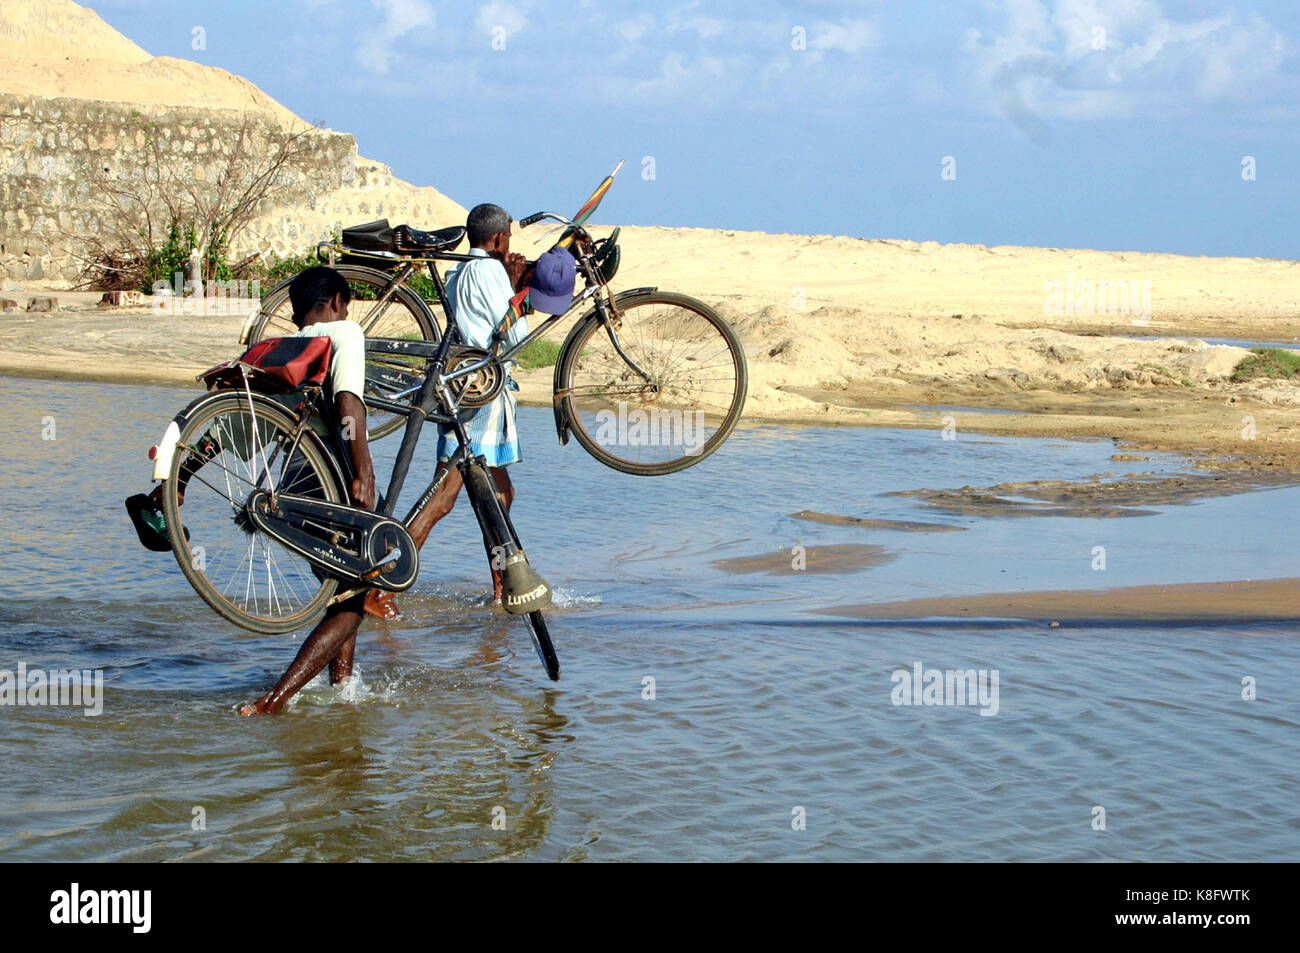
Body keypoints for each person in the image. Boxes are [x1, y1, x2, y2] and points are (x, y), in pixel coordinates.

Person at [364, 204, 573, 620]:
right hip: (483, 387)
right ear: (498, 239)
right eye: (509, 239)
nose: (510, 247)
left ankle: (503, 586)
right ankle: (382, 585)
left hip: (464, 386)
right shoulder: (492, 273)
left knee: (497, 494)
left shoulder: (461, 271)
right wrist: (517, 290)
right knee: (446, 494)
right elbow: (510, 333)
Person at [239, 266, 378, 715]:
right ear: (338, 301)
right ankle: (274, 701)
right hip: (329, 479)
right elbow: (347, 401)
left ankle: (343, 691)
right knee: (357, 597)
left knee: (343, 587)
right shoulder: (345, 333)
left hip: (292, 481)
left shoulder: (279, 348)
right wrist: (363, 470)